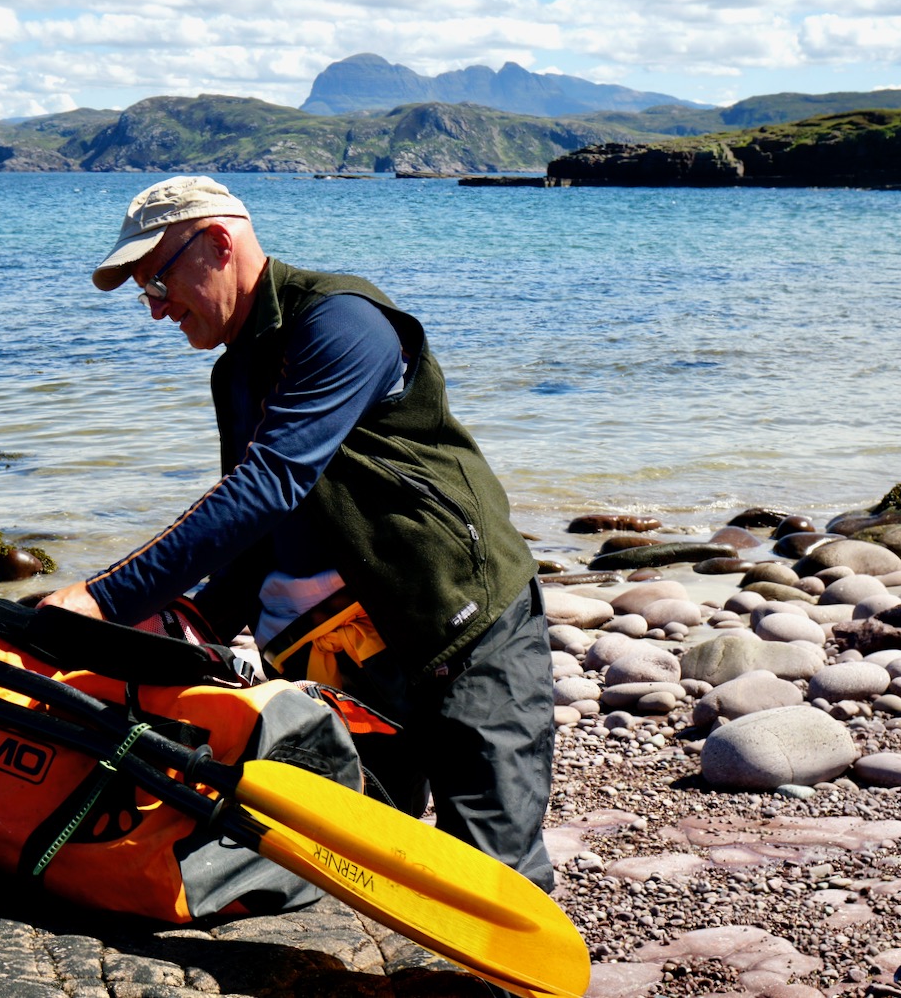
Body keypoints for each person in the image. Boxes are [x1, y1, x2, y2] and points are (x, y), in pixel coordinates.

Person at [38, 175, 556, 893]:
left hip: (460, 628)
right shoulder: (234, 373)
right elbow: (263, 529)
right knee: (358, 863)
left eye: (157, 281)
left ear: (217, 243)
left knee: (492, 876)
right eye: (144, 294)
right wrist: (193, 620)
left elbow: (268, 484)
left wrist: (105, 598)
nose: (157, 312)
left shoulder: (342, 322)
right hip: (346, 657)